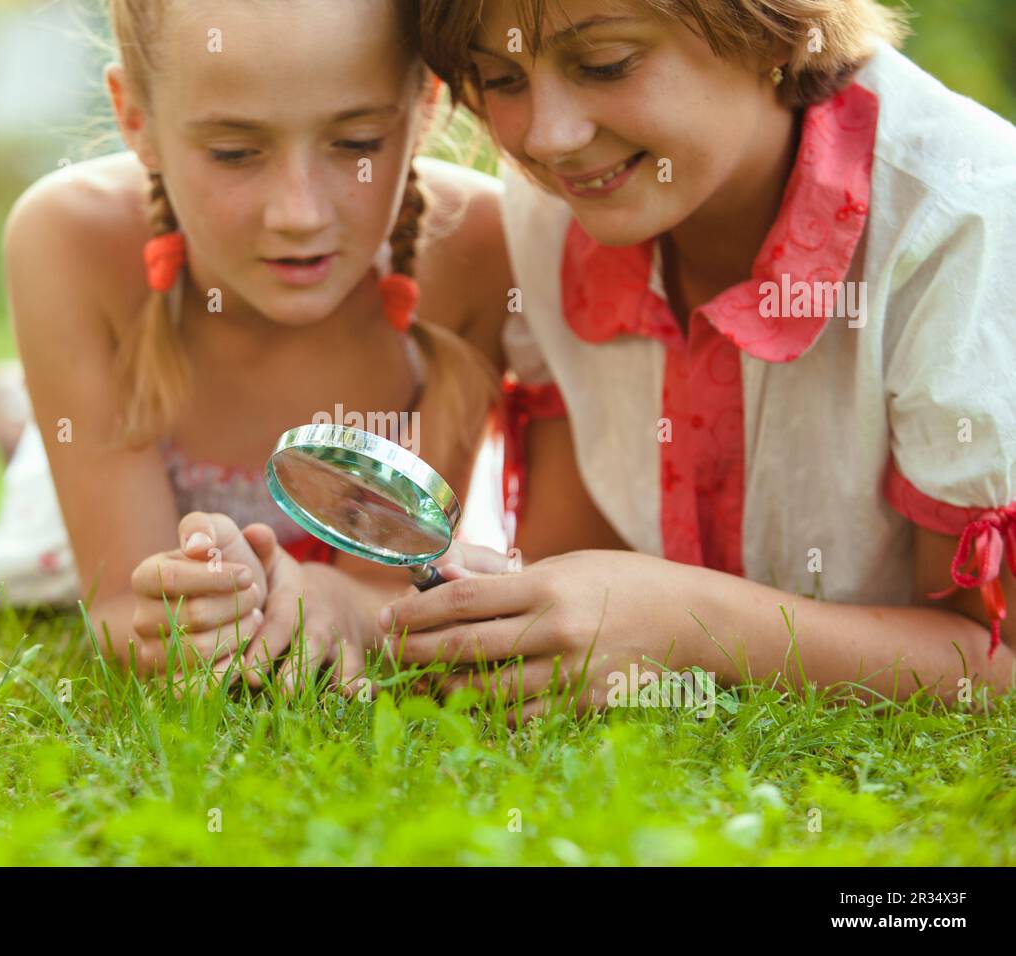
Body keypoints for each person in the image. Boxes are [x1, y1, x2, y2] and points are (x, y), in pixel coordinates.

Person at [381, 0, 1016, 715]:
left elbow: (997, 664)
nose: (549, 136)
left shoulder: (963, 223)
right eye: (501, 79)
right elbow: (580, 560)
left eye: (605, 64)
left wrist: (689, 624)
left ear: (766, 26)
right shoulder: (562, 205)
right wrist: (513, 609)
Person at [0, 0, 517, 694]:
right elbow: (120, 603)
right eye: (235, 153)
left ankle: (19, 413)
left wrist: (343, 608)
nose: (299, 214)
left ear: (425, 106)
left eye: (357, 142)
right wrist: (186, 616)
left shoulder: (479, 244)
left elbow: (383, 586)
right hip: (107, 492)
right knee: (39, 492)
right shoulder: (66, 236)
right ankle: (23, 421)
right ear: (135, 119)